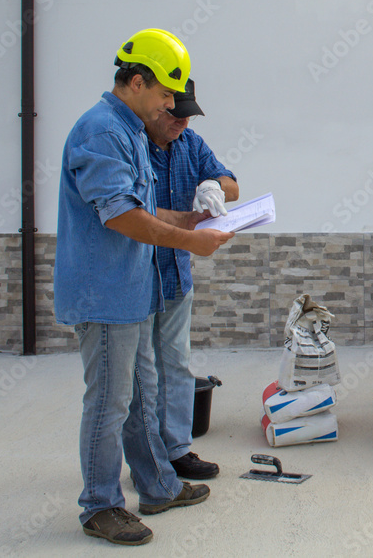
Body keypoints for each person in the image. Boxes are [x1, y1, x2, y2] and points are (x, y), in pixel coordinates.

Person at [54, 28, 234, 546]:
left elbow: (146, 209)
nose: (167, 107)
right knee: (110, 404)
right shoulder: (101, 132)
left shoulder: (127, 129)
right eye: (164, 96)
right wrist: (187, 240)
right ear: (136, 82)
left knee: (139, 396)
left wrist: (194, 222)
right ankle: (99, 507)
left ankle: (157, 486)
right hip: (103, 295)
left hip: (129, 291)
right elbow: (121, 217)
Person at [144, 77, 238, 481]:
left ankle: (178, 450)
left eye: (188, 116)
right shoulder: (133, 145)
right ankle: (146, 457)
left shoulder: (191, 144)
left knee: (176, 364)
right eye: (175, 115)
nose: (182, 123)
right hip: (138, 275)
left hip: (177, 273)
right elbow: (133, 211)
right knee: (141, 372)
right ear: (157, 106)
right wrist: (185, 220)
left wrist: (212, 184)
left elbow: (233, 185)